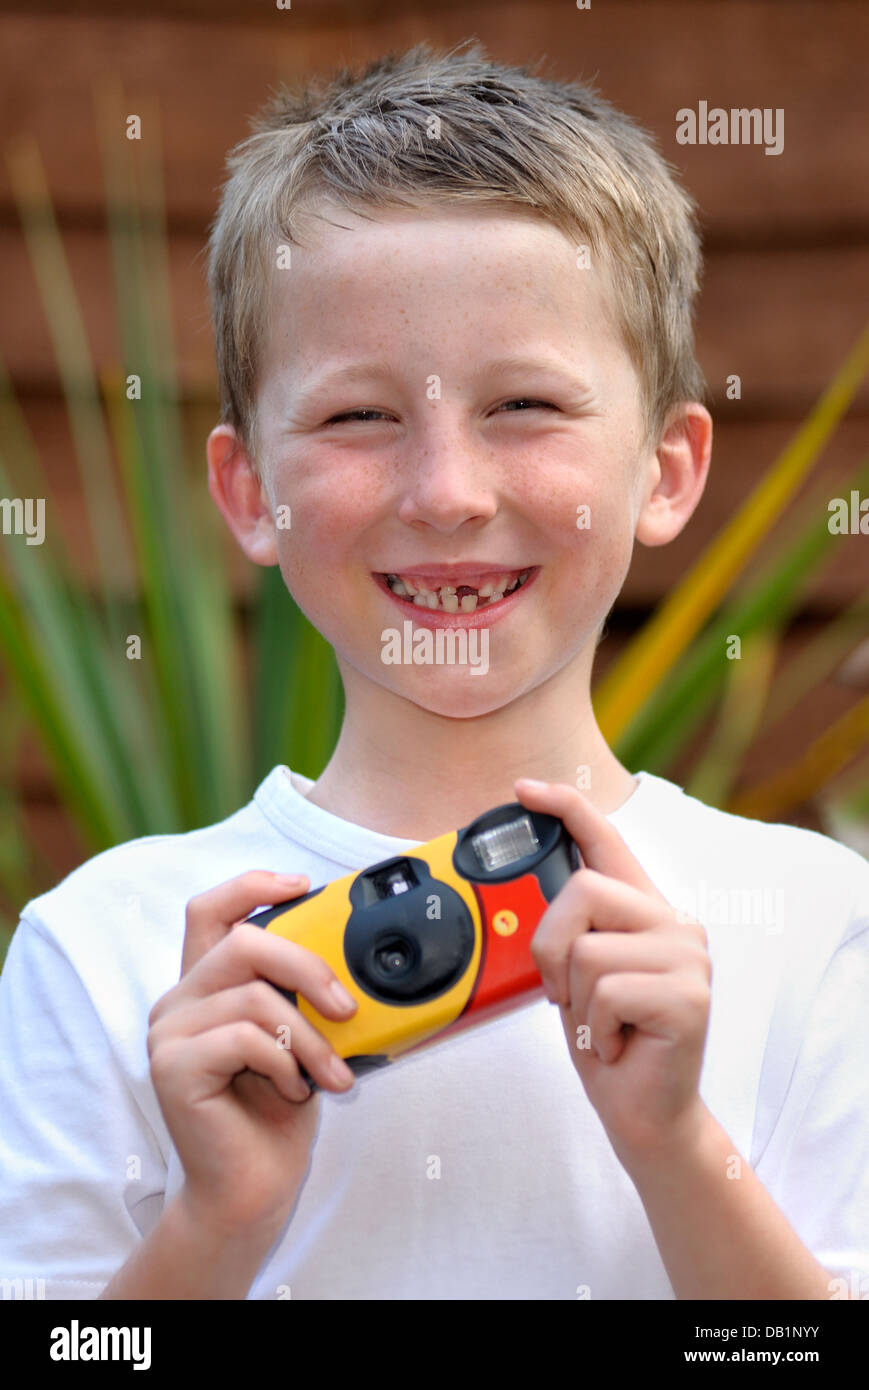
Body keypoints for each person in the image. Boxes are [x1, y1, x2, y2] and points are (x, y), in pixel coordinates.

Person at [1, 39, 867, 1302]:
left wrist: (679, 1154)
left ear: (665, 471)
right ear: (249, 493)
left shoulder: (815, 927)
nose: (447, 494)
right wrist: (217, 1224)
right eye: (359, 417)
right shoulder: (104, 952)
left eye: (523, 405)